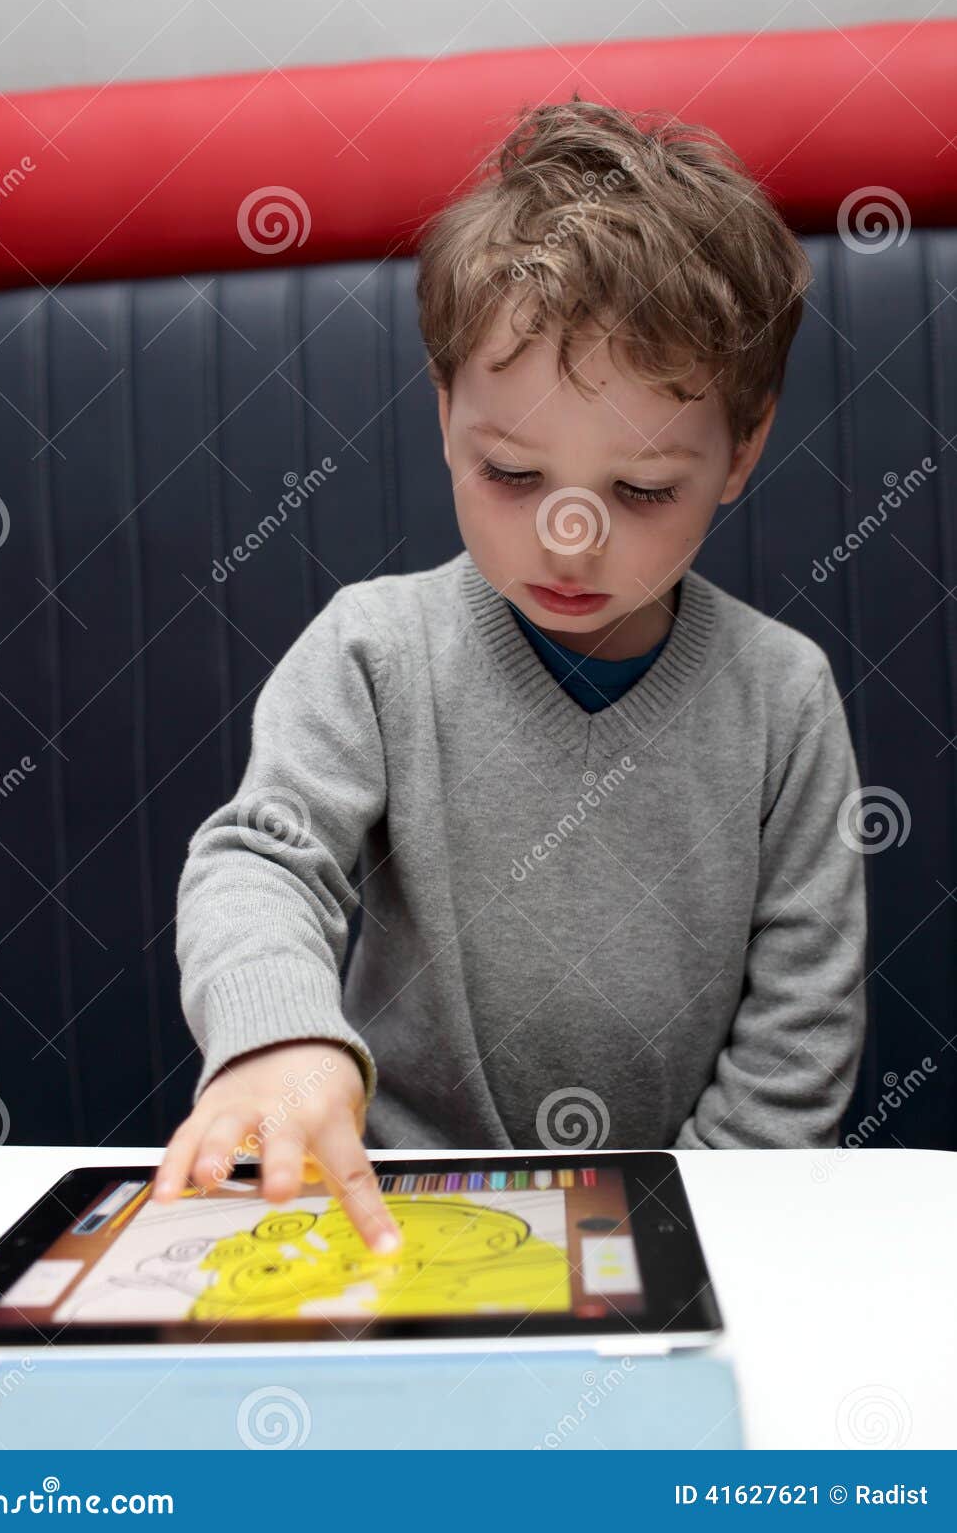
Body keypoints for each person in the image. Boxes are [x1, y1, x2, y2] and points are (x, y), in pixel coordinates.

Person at [154, 97, 866, 1253]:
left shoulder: (782, 697)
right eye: (513, 474)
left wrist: (683, 1236)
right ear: (447, 417)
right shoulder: (372, 651)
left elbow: (800, 1028)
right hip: (389, 1216)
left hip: (679, 1234)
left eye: (640, 489)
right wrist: (278, 1037)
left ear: (739, 450)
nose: (568, 538)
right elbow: (260, 860)